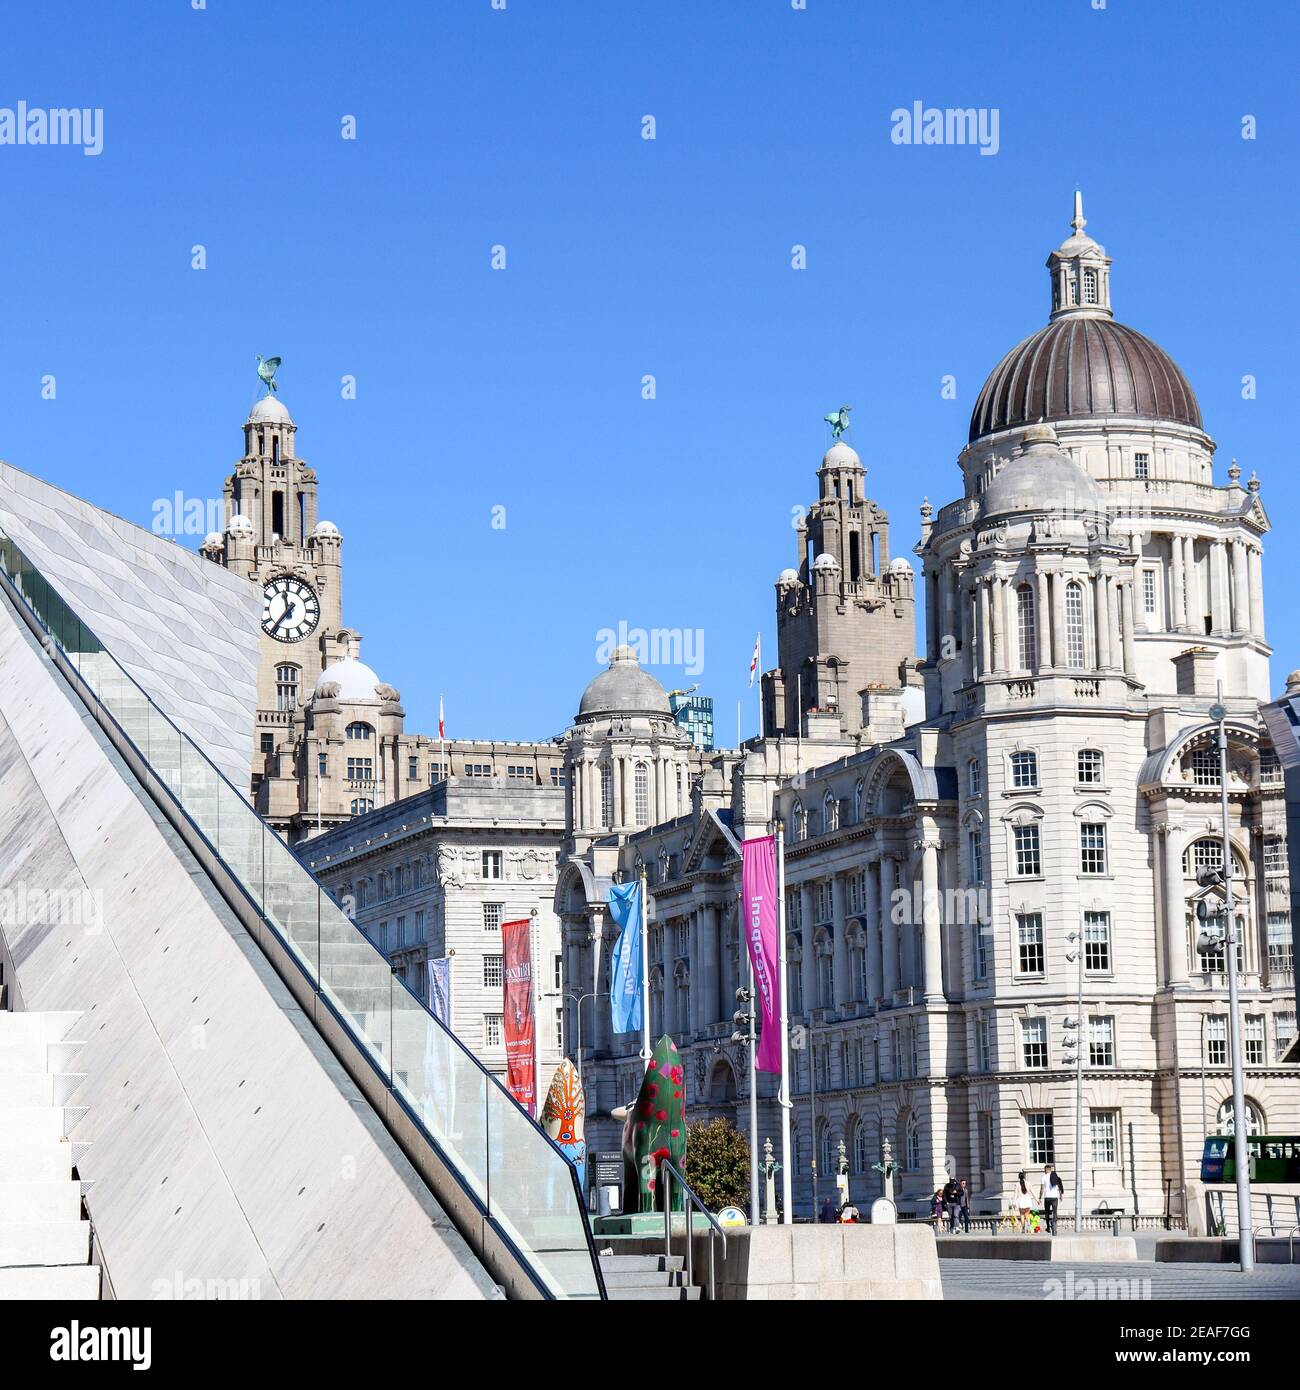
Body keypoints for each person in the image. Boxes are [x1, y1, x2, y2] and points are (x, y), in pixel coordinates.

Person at [1040, 1164, 1065, 1234]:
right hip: (1054, 1197)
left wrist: (1039, 1197)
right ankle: (1054, 1226)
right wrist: (1060, 1195)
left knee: (1047, 1213)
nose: (1044, 1171)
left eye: (1044, 1170)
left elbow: (1042, 1189)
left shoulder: (1043, 1177)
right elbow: (1059, 1186)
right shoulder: (1055, 1176)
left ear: (1047, 1169)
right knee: (1055, 1212)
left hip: (1047, 1198)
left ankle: (1048, 1227)